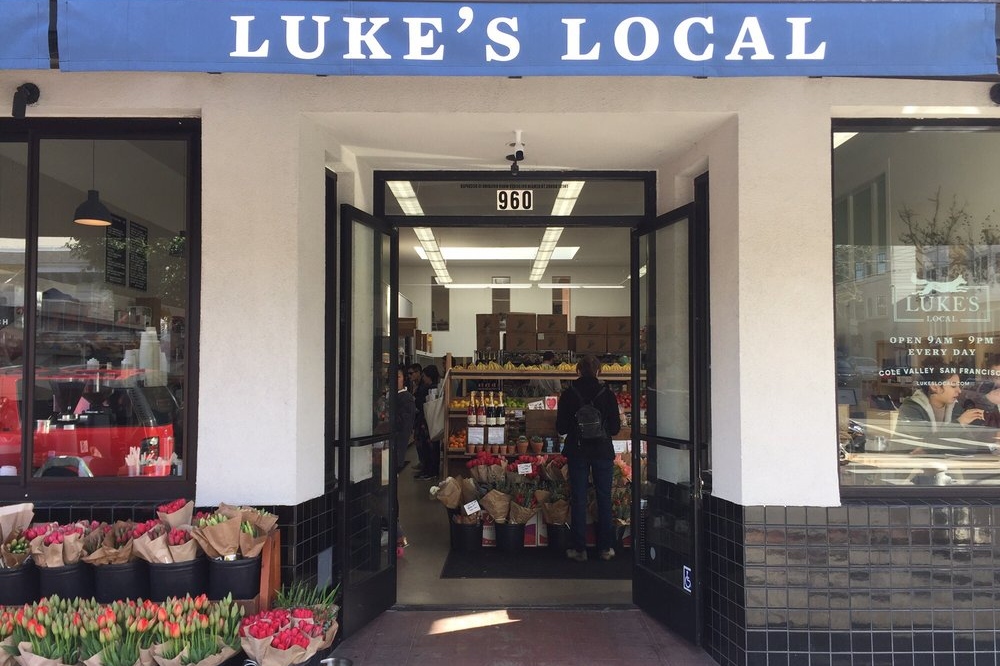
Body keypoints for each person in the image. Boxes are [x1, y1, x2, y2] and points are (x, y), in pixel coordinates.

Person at [555, 354, 621, 562]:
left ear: (578, 371)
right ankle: (605, 548)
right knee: (604, 498)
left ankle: (579, 549)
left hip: (578, 452)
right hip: (602, 452)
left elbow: (561, 428)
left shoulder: (568, 394)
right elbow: (616, 429)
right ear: (599, 371)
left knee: (579, 499)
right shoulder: (608, 394)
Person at [895, 360, 984, 447]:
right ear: (934, 387)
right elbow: (926, 444)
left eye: (959, 386)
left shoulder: (955, 408)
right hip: (906, 461)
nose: (959, 390)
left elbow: (970, 446)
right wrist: (959, 423)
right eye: (953, 386)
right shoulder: (911, 408)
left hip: (941, 461)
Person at [393, 368, 416, 549]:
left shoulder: (405, 398)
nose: (394, 379)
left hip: (394, 451)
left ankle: (396, 530)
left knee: (390, 491)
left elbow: (403, 425)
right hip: (387, 451)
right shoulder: (391, 396)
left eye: (398, 376)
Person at [413, 364, 441, 480]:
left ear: (428, 376)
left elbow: (421, 405)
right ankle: (431, 470)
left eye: (424, 376)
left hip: (427, 422)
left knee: (428, 448)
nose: (423, 378)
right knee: (432, 447)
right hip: (432, 422)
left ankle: (429, 471)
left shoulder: (427, 389)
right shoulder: (437, 388)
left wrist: (415, 398)